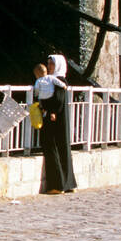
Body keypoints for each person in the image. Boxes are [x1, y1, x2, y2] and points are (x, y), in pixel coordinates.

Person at [39, 53, 77, 194]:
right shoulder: (58, 80)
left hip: (54, 118)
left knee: (52, 146)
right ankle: (67, 184)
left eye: (52, 64)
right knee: (62, 147)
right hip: (59, 118)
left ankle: (57, 185)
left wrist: (47, 109)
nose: (49, 67)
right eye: (48, 64)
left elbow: (58, 100)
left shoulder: (57, 80)